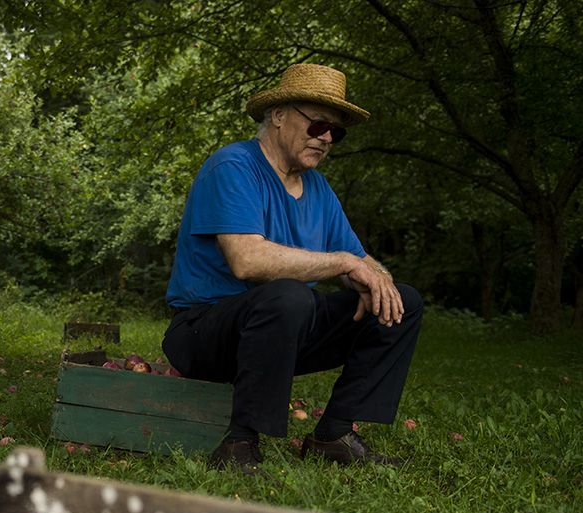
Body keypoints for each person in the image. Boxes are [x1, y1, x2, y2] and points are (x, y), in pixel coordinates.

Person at [162, 63, 423, 472]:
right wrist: (342, 262)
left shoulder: (318, 188)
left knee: (401, 300)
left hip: (281, 332)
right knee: (289, 294)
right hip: (203, 333)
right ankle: (240, 443)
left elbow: (362, 259)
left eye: (336, 133)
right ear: (279, 115)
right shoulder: (233, 166)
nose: (325, 139)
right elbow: (247, 260)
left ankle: (333, 434)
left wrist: (377, 279)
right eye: (318, 125)